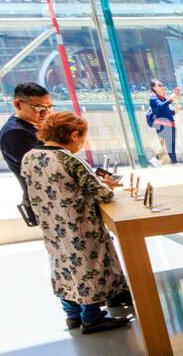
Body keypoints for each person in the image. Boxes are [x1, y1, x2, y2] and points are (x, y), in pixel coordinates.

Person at [22, 112, 132, 334]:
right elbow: (102, 194)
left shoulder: (29, 157)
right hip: (80, 227)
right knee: (89, 267)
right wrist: (108, 184)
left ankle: (72, 315)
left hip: (52, 227)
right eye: (82, 138)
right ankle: (91, 317)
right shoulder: (69, 159)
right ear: (74, 135)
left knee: (63, 266)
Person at [2, 82, 53, 211]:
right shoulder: (15, 133)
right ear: (18, 104)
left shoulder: (34, 124)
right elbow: (38, 171)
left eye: (49, 107)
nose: (45, 113)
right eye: (38, 108)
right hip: (44, 201)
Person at [146, 78, 180, 164]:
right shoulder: (153, 99)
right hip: (162, 126)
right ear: (154, 88)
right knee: (167, 147)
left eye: (162, 85)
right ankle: (174, 163)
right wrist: (171, 98)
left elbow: (167, 112)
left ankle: (161, 161)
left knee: (170, 147)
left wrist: (174, 111)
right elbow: (161, 106)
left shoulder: (163, 98)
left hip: (170, 125)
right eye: (159, 85)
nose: (162, 87)